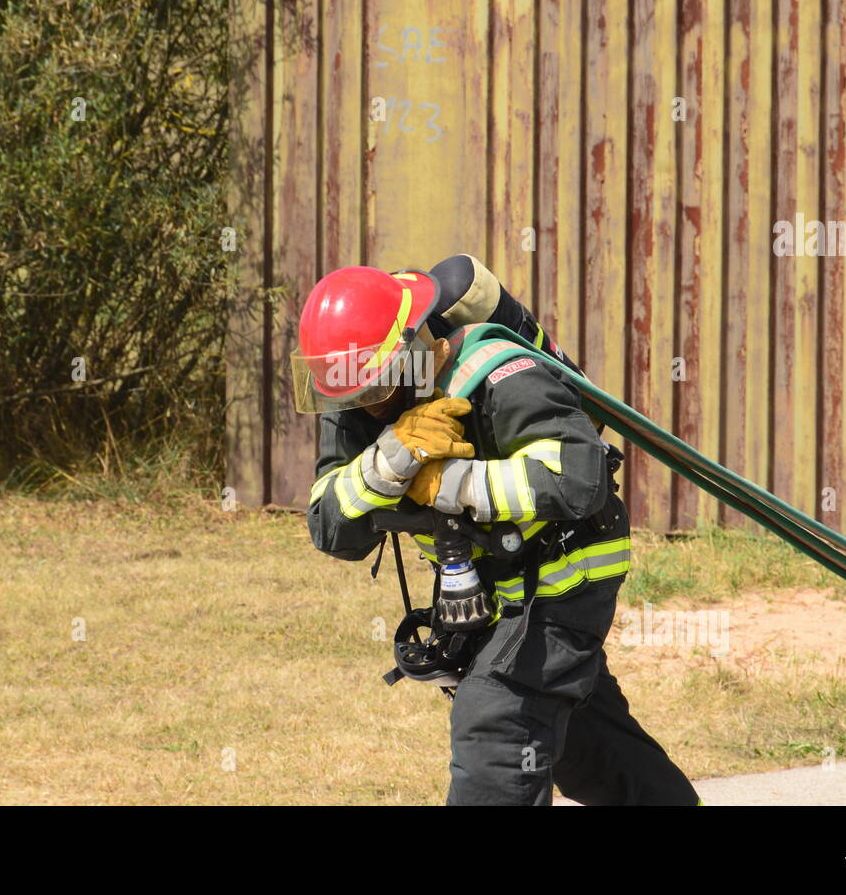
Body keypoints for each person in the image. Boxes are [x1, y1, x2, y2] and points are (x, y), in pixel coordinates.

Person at [292, 258, 699, 806]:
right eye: (350, 393)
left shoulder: (495, 371)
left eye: (378, 388)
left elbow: (580, 478)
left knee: (497, 721)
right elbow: (331, 528)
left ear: (411, 352)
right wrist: (387, 463)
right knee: (587, 750)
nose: (366, 404)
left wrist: (450, 482)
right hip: (493, 589)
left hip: (564, 577)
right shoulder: (356, 388)